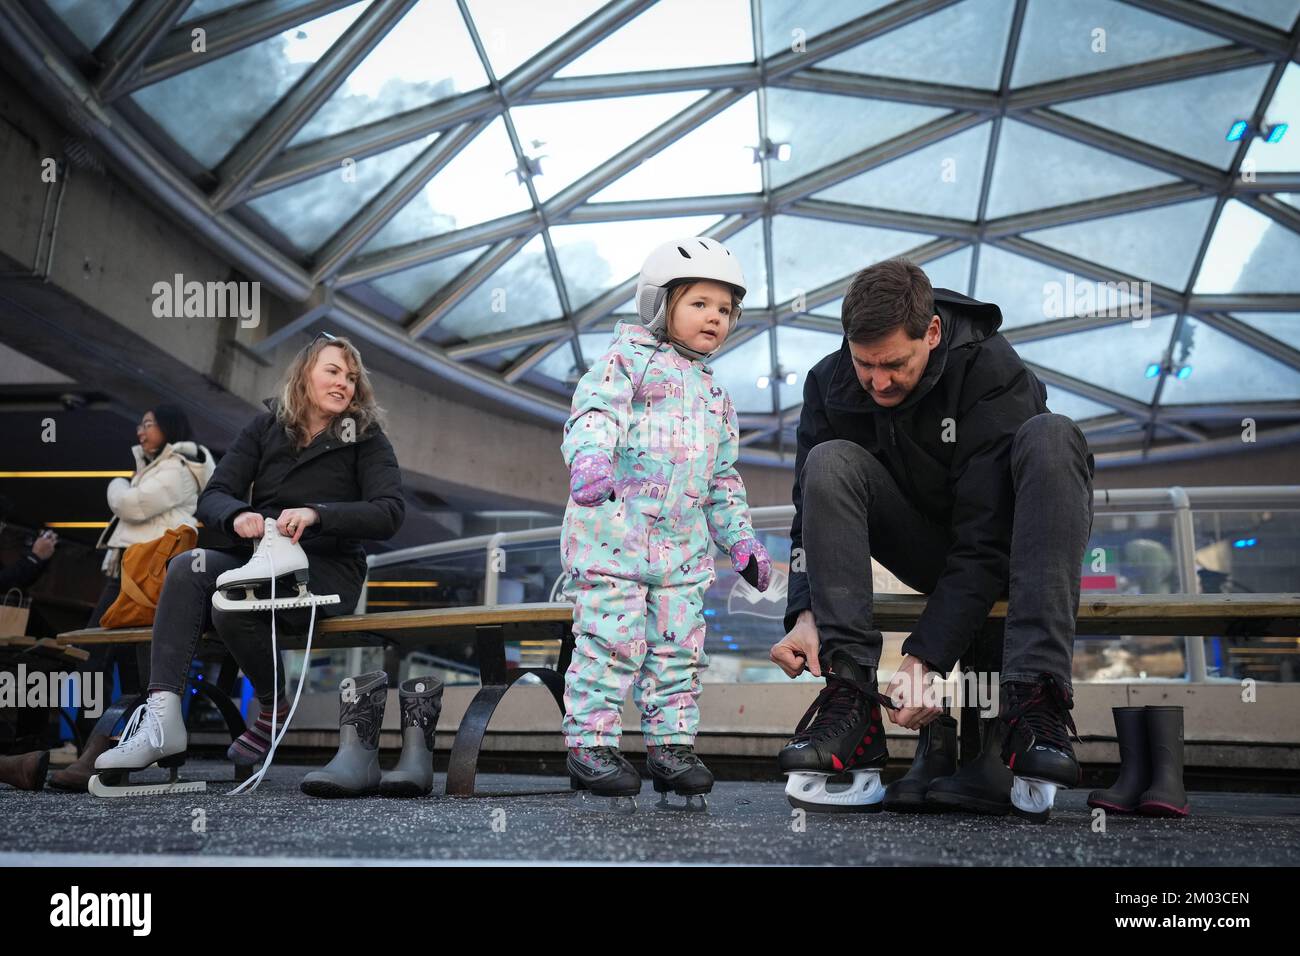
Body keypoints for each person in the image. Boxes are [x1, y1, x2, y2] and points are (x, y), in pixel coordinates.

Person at [769, 258, 1094, 820]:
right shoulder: (829, 381)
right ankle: (852, 702)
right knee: (827, 463)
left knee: (1053, 435)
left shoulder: (992, 369)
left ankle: (1035, 701)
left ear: (933, 331)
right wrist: (803, 611)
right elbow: (808, 515)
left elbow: (986, 537)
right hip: (919, 547)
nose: (878, 382)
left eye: (894, 364)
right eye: (865, 364)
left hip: (1013, 552)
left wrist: (923, 658)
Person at [93, 334, 404, 785]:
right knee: (188, 567)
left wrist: (318, 515)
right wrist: (239, 516)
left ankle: (273, 706)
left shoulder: (368, 439)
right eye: (333, 371)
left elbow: (389, 512)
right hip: (258, 559)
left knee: (233, 600)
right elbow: (214, 495)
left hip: (324, 570)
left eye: (352, 377)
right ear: (304, 374)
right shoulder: (265, 427)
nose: (345, 384)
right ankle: (162, 720)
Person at [560, 236, 772, 807]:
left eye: (725, 309)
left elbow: (723, 478)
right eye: (700, 303)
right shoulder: (624, 361)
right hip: (612, 542)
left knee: (678, 651)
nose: (715, 318)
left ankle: (671, 747)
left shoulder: (716, 396)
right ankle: (591, 745)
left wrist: (742, 540)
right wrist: (591, 461)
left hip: (682, 554)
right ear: (661, 303)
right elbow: (594, 416)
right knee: (610, 643)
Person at [49, 406, 214, 790]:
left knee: (108, 657)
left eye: (149, 423)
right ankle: (104, 746)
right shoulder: (157, 464)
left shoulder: (182, 464)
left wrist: (118, 484)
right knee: (120, 660)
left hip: (148, 572)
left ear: (170, 427)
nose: (140, 430)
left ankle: (104, 748)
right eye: (140, 424)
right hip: (133, 570)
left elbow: (133, 505)